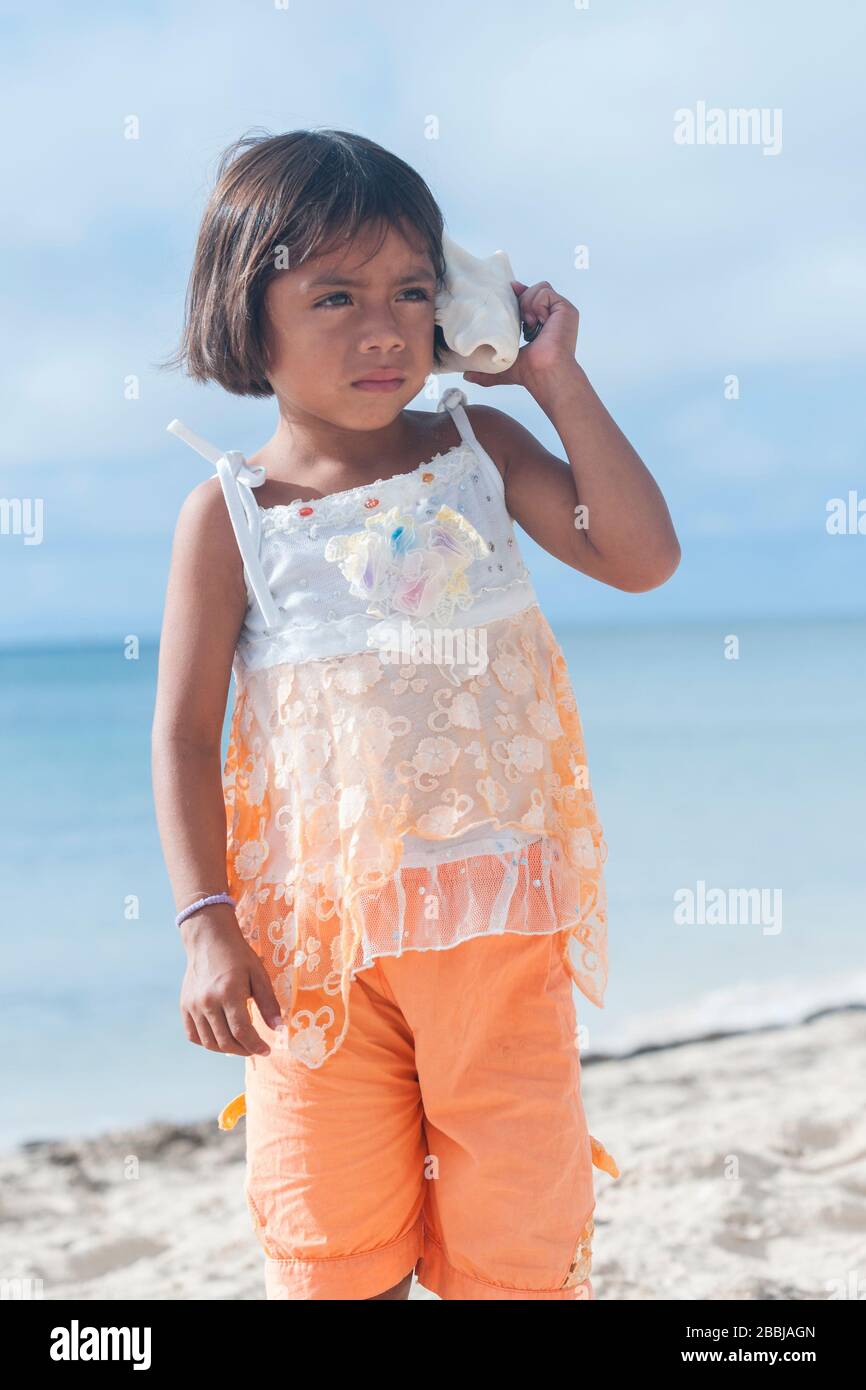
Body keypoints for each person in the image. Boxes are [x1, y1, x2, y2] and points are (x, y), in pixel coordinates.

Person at [151, 127, 680, 1301]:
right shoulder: (228, 517)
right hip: (314, 961)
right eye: (332, 295)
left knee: (517, 1237)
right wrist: (205, 924)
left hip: (494, 925)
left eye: (410, 291)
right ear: (248, 315)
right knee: (335, 1240)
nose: (382, 328)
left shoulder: (475, 447)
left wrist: (551, 379)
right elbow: (184, 735)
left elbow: (640, 558)